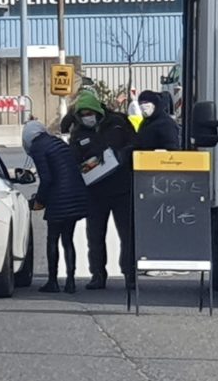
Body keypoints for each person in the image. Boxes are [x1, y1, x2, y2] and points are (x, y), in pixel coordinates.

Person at [67, 90, 136, 290]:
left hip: (122, 188)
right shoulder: (78, 132)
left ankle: (130, 274)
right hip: (95, 192)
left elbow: (136, 143)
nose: (87, 117)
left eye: (90, 112)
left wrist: (123, 154)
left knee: (127, 234)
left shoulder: (118, 123)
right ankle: (97, 275)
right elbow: (74, 159)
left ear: (98, 111)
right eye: (83, 114)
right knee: (95, 236)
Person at [23, 120, 89, 294]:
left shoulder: (38, 148)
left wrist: (39, 200)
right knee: (68, 239)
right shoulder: (57, 142)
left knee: (52, 239)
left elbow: (46, 179)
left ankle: (53, 281)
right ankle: (71, 282)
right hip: (75, 194)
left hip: (59, 198)